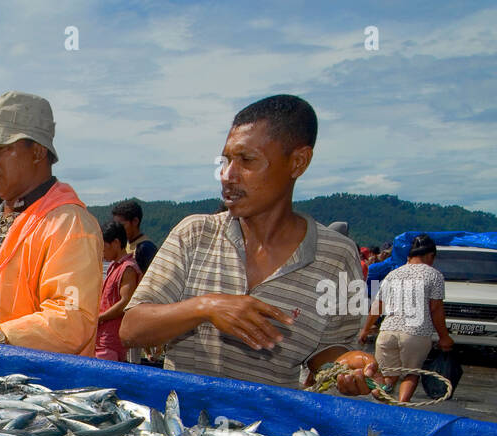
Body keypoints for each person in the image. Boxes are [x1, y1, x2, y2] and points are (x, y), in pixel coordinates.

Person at [120, 94, 377, 393]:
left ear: (298, 162)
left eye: (247, 160)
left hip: (267, 433)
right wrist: (206, 307)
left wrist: (348, 367)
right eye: (226, 160)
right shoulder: (194, 233)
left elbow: (328, 351)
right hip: (184, 428)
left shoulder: (337, 256)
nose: (227, 175)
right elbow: (132, 329)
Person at [0, 91, 102, 355]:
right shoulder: (1, 216)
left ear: (38, 151)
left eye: (2, 149)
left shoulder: (70, 223)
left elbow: (72, 319)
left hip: (42, 390)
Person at [359, 233, 452, 403]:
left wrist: (365, 330)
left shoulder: (393, 274)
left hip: (387, 332)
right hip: (415, 332)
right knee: (411, 373)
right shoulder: (434, 275)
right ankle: (401, 407)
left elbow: (378, 306)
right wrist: (444, 337)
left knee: (388, 376)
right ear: (430, 255)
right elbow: (436, 308)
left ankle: (381, 400)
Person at [95, 223, 140, 361]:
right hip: (103, 338)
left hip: (111, 341)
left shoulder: (128, 268)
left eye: (104, 247)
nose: (102, 253)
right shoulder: (114, 266)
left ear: (115, 243)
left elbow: (125, 302)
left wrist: (99, 318)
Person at [111, 199, 157, 274]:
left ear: (135, 221)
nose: (118, 229)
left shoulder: (146, 248)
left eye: (121, 225)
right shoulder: (125, 245)